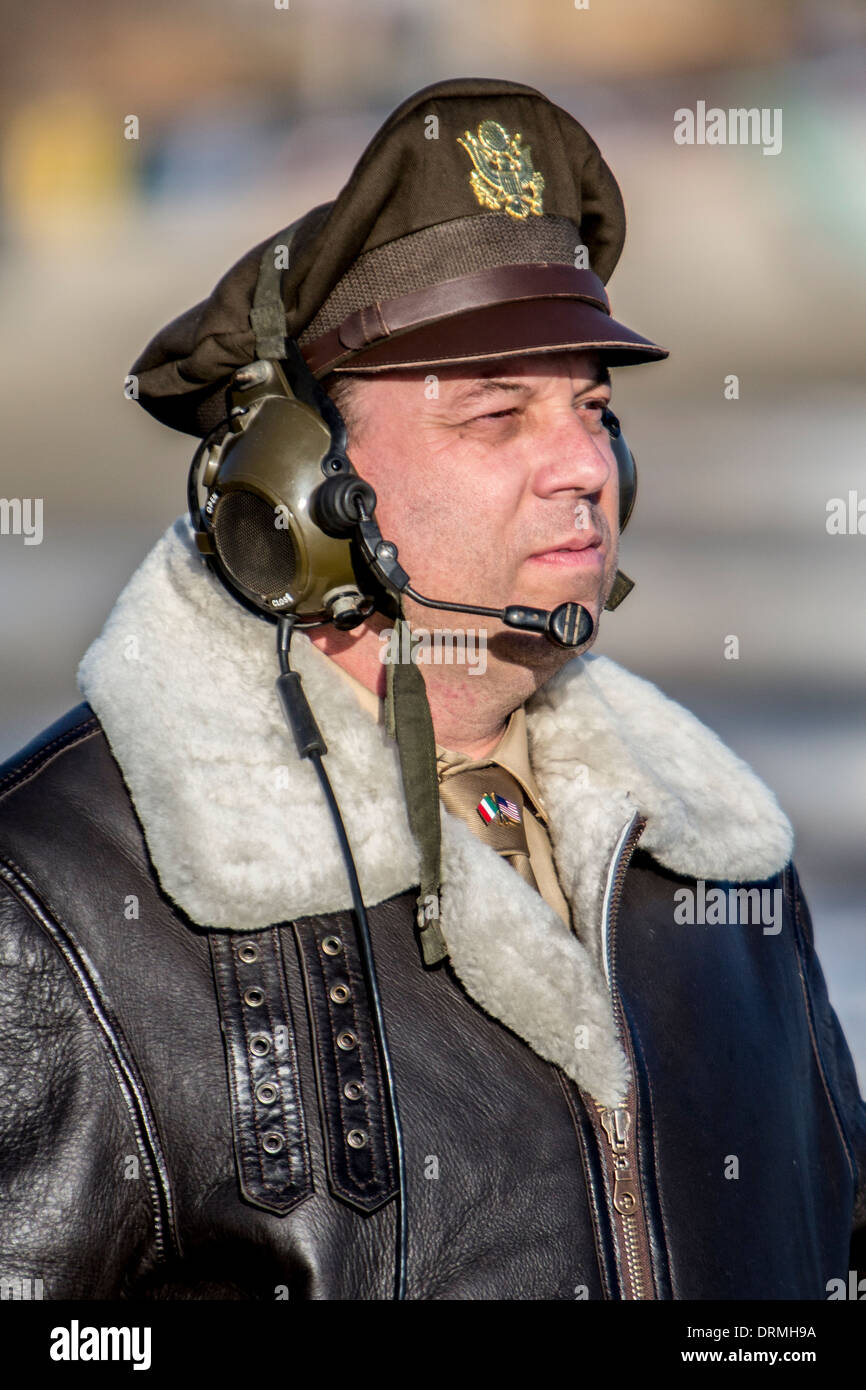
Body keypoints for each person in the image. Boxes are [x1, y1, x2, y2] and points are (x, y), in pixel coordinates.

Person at [0, 76, 863, 1302]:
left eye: (591, 406)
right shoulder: (57, 901)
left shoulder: (724, 866)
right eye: (496, 413)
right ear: (301, 499)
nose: (583, 465)